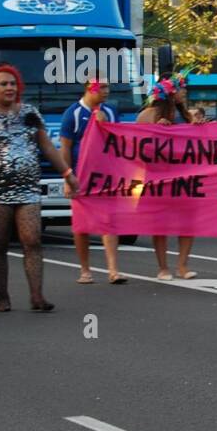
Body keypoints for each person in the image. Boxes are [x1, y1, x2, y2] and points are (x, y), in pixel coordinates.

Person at [0, 65, 76, 312]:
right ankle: (3, 297)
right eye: (4, 84)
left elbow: (47, 148)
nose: (10, 88)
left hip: (29, 190)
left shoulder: (30, 113)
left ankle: (37, 296)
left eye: (13, 83)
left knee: (32, 240)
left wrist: (68, 173)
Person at [59, 79, 126, 285]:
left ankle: (113, 270)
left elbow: (119, 141)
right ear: (90, 88)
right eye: (103, 87)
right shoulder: (74, 113)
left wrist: (105, 124)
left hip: (105, 174)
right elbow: (65, 148)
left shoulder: (111, 111)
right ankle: (85, 270)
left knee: (109, 220)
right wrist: (68, 177)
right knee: (82, 224)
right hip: (81, 175)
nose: (107, 91)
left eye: (108, 87)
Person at [136, 79, 198, 280]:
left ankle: (182, 265)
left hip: (184, 177)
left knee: (187, 223)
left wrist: (199, 128)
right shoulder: (146, 115)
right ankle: (163, 268)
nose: (185, 91)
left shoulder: (186, 116)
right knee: (159, 223)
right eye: (180, 88)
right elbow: (138, 146)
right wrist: (156, 130)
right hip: (157, 177)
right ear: (170, 93)